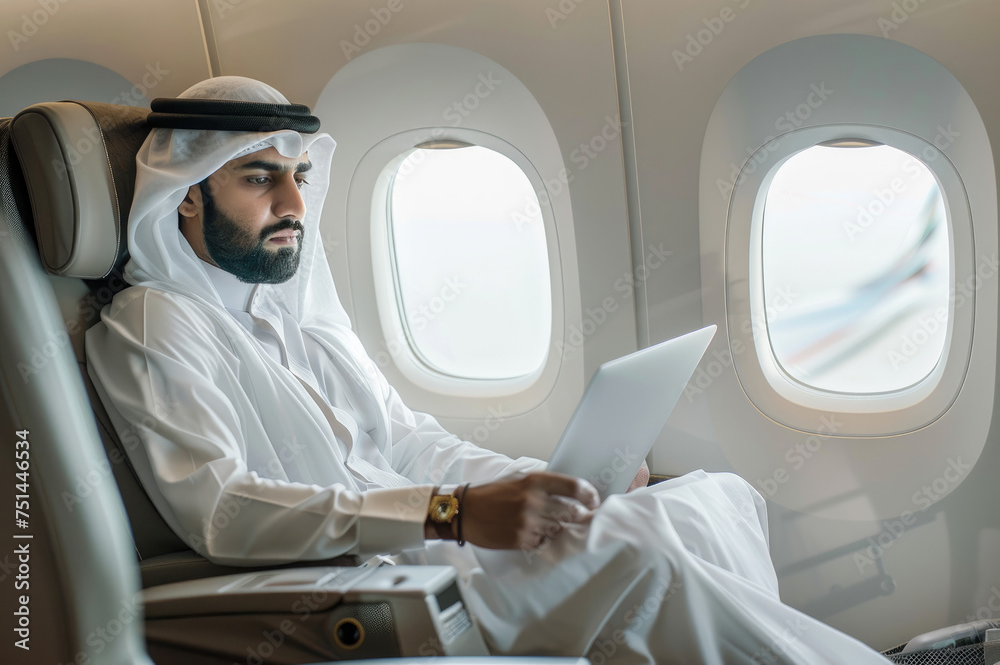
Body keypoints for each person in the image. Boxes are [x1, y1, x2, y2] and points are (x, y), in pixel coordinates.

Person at [86, 76, 890, 663]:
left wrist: (546, 481)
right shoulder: (156, 323)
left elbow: (405, 439)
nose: (293, 203)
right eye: (259, 178)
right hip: (373, 582)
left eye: (298, 176)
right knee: (643, 561)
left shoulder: (293, 313)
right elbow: (222, 510)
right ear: (186, 198)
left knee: (710, 499)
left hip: (436, 544)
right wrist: (453, 513)